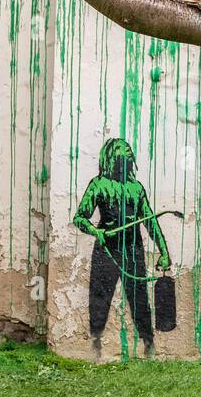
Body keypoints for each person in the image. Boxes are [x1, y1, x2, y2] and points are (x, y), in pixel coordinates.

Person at [73, 137, 172, 355]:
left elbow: (150, 222)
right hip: (106, 250)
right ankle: (95, 345)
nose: (126, 159)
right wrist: (95, 231)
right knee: (99, 299)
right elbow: (79, 218)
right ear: (111, 158)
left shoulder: (136, 189)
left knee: (139, 300)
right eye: (121, 157)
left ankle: (148, 345)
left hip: (133, 251)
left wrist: (164, 252)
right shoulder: (98, 185)